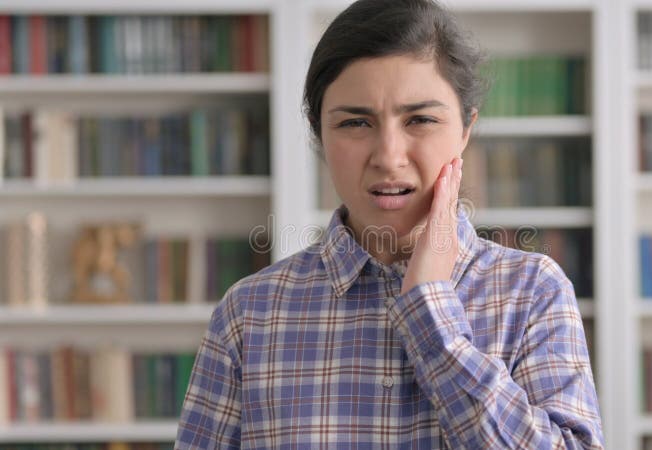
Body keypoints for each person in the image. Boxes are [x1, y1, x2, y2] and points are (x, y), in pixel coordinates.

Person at [175, 0, 604, 448]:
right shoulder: (248, 315)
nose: (388, 156)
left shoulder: (533, 291)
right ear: (319, 134)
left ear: (465, 130)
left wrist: (430, 312)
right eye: (355, 122)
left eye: (420, 119)